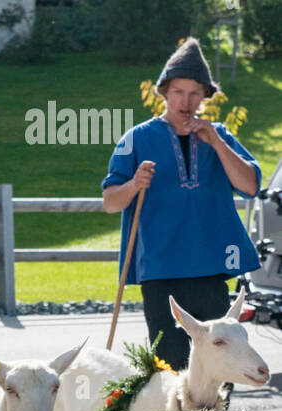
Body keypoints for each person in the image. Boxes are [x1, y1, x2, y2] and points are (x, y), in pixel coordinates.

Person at [101, 37, 261, 370]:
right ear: (164, 93)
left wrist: (215, 141)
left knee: (221, 366)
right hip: (160, 273)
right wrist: (133, 184)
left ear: (205, 96)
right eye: (178, 92)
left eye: (194, 93)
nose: (185, 102)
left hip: (212, 270)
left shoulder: (221, 136)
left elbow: (249, 186)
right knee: (170, 367)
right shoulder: (135, 138)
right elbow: (110, 202)